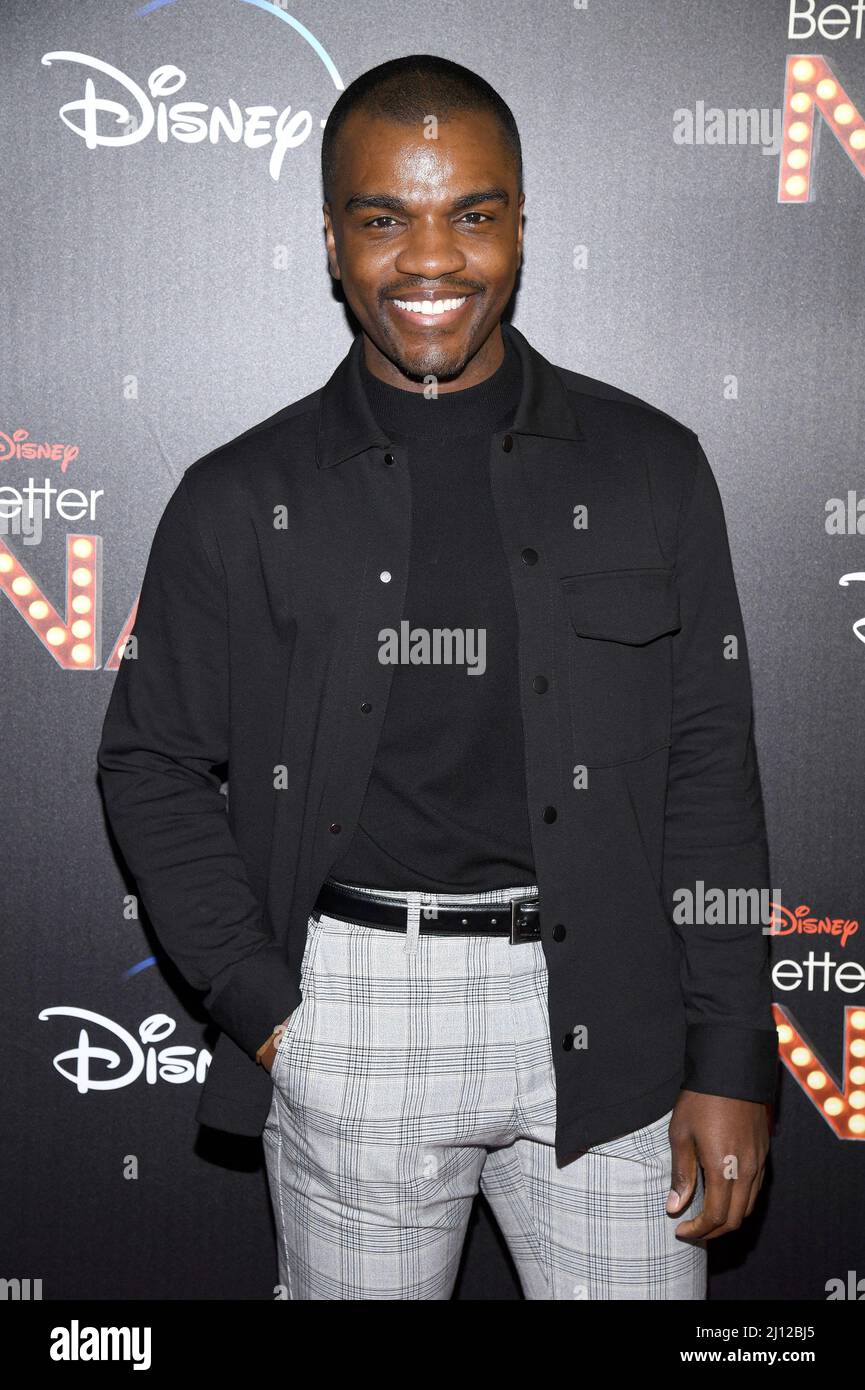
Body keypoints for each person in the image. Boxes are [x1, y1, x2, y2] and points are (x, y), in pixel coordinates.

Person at [97, 54, 778, 1300]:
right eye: (382, 217)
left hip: (615, 1008)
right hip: (353, 1011)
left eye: (471, 213)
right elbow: (149, 761)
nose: (430, 259)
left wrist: (729, 1052)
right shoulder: (240, 498)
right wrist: (269, 1007)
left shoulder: (652, 466)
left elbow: (709, 773)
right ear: (330, 239)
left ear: (522, 223)